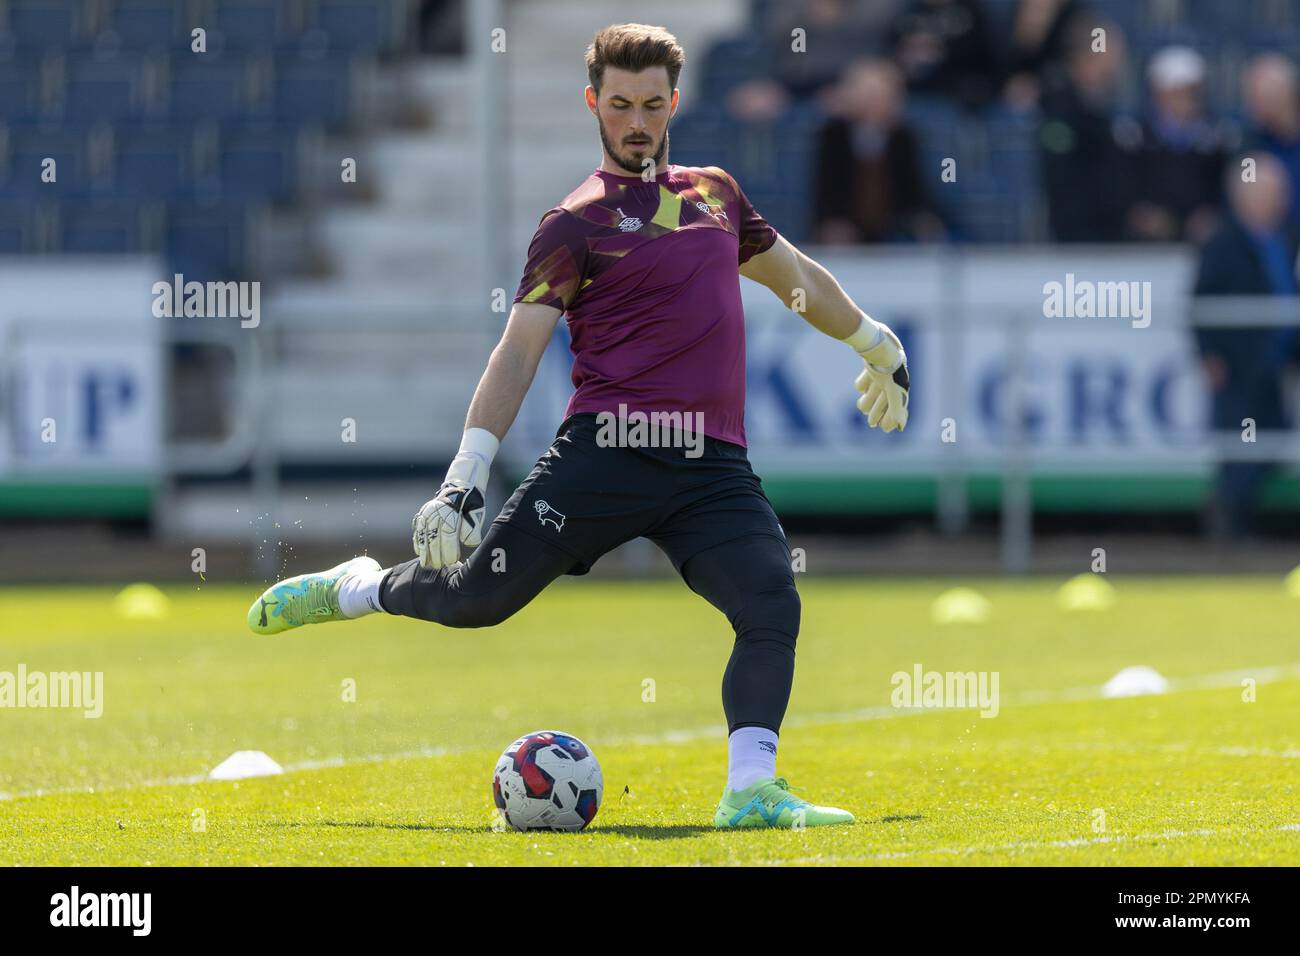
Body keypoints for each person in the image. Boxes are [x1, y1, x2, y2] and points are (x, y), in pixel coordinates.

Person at [245, 23, 911, 830]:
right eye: (621, 104)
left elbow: (796, 277)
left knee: (771, 602)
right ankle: (358, 587)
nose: (638, 122)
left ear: (675, 102)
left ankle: (750, 791)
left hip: (710, 468)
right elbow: (519, 348)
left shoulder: (716, 196)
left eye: (653, 105)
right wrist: (464, 477)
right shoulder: (575, 223)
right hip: (606, 454)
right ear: (594, 103)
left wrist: (876, 342)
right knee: (475, 602)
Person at [1194, 153, 1300, 538]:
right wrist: (1210, 354)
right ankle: (1228, 524)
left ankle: (1237, 519)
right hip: (1239, 363)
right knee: (1241, 441)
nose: (1283, 200)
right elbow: (1202, 300)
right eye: (1275, 191)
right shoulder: (1223, 241)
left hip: (1274, 363)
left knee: (1273, 432)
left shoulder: (1284, 238)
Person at [813, 58, 945, 244]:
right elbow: (823, 190)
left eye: (883, 95)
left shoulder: (905, 137)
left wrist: (921, 220)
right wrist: (830, 222)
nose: (876, 103)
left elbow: (916, 191)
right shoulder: (832, 135)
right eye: (869, 96)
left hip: (896, 226)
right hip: (845, 225)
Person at [1038, 16, 1136, 242]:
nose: (1117, 58)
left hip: (1115, 234)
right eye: (1110, 49)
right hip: (1080, 238)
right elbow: (1062, 177)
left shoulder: (1107, 107)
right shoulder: (1060, 109)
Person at [1127, 47, 1232, 244]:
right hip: (1146, 250)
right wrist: (1145, 216)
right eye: (1178, 91)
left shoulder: (1218, 139)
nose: (1187, 99)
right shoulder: (1134, 139)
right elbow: (1123, 195)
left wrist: (1214, 217)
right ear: (1158, 93)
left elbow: (1226, 192)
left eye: (1192, 91)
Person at [1241, 53, 1300, 230]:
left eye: (1258, 96)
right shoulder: (1249, 148)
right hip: (1274, 242)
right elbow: (1246, 190)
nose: (1251, 105)